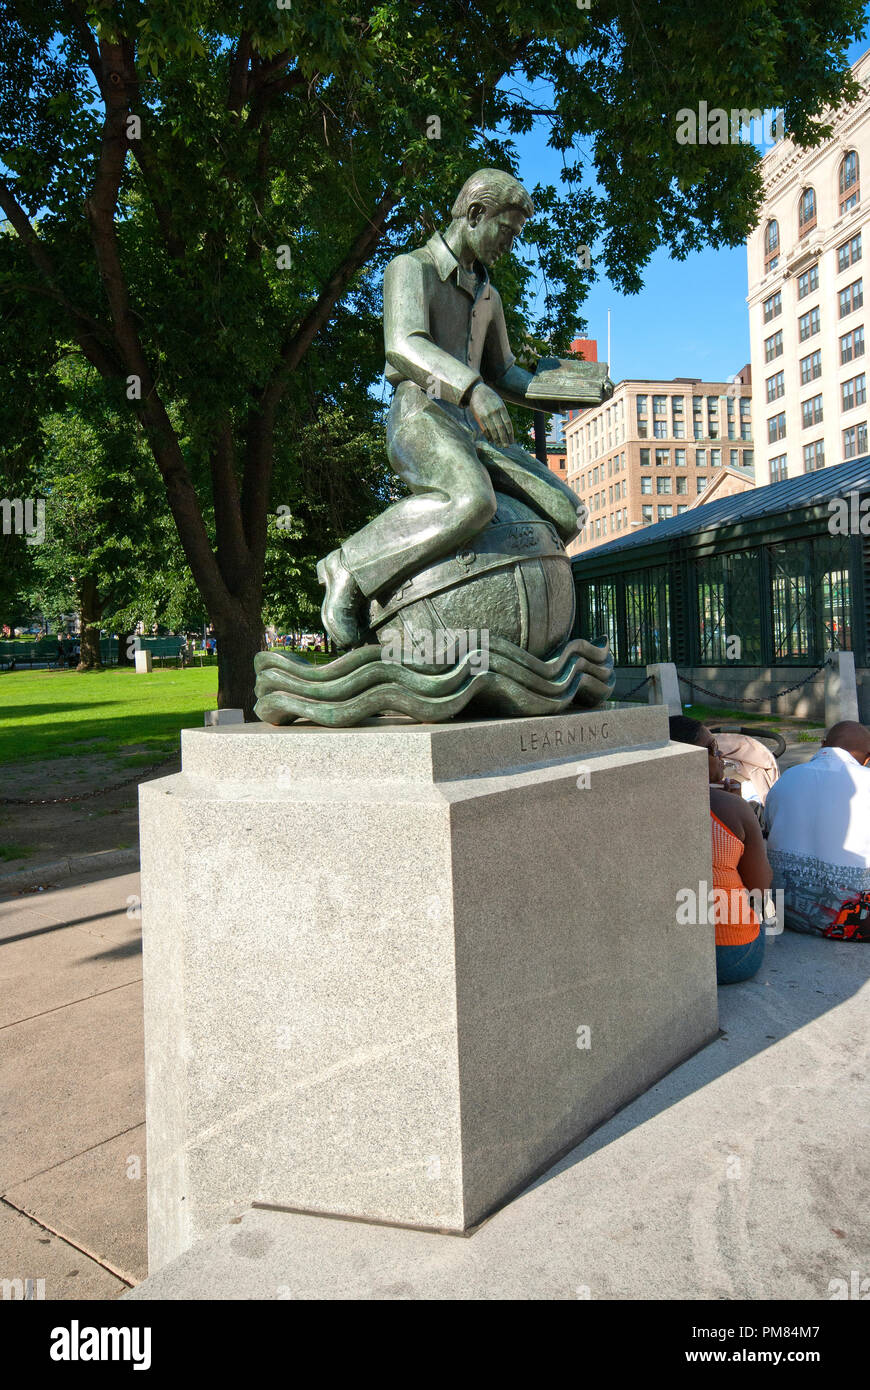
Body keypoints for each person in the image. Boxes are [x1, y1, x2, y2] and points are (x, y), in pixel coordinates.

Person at [317, 168, 594, 647]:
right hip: (420, 416)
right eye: (505, 232)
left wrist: (578, 387)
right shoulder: (412, 268)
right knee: (474, 501)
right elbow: (403, 343)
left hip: (473, 430)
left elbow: (505, 373)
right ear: (474, 214)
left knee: (567, 513)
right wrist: (471, 389)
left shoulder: (490, 296)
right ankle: (349, 566)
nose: (509, 246)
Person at [669, 716, 773, 984]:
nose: (722, 756)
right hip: (729, 954)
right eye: (714, 749)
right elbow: (760, 889)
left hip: (667, 954)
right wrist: (743, 813)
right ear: (690, 757)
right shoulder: (731, 807)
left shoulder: (636, 804)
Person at [764, 720, 870, 940]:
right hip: (852, 922)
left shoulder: (787, 778)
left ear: (822, 745)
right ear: (868, 758)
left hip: (787, 913)